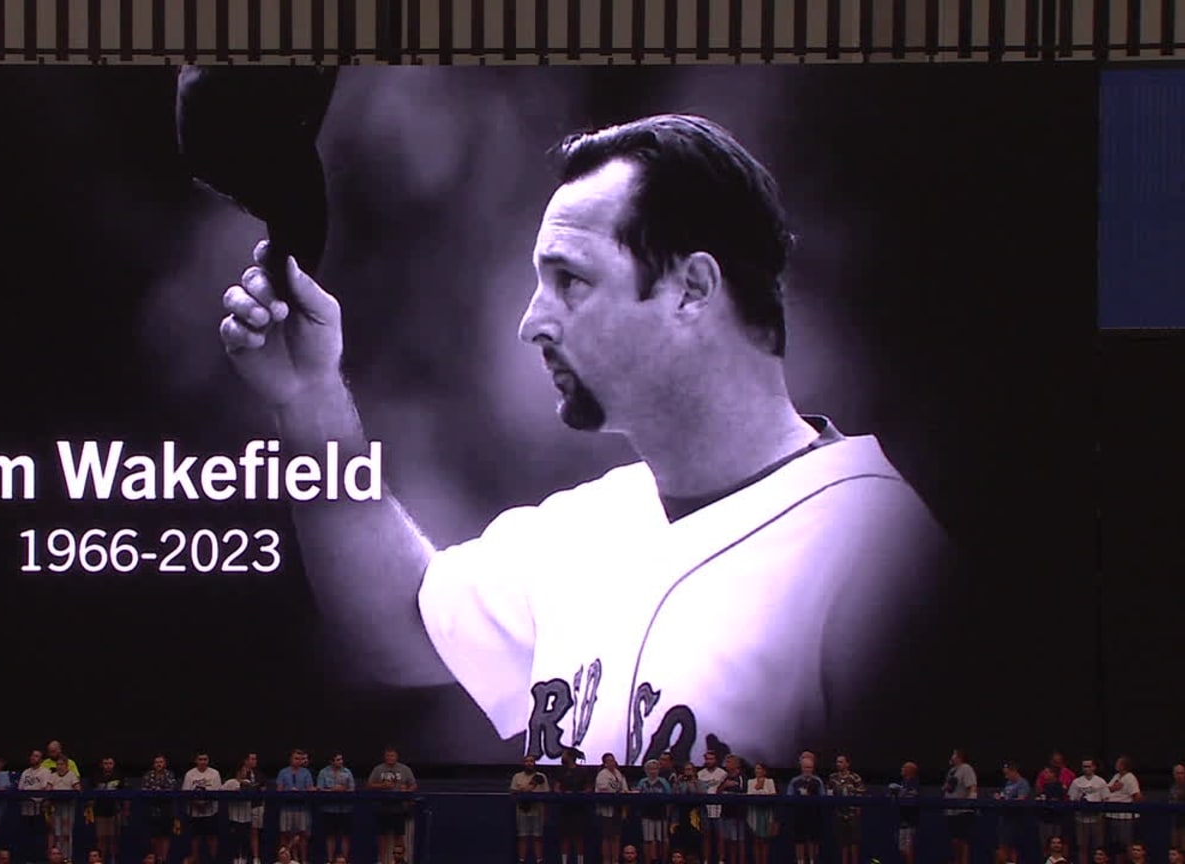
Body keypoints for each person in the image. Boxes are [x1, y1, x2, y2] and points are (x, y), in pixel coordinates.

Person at [215, 112, 951, 770]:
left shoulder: (876, 548)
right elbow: (397, 626)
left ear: (693, 288)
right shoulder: (581, 527)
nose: (532, 320)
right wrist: (309, 401)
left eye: (569, 280)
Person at [368, 749, 417, 864]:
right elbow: (369, 785)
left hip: (399, 807)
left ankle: (399, 860)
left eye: (392, 756)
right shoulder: (378, 769)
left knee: (399, 835)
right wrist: (382, 785)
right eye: (388, 756)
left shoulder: (405, 769)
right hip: (383, 806)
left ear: (397, 756)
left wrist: (407, 791)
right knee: (382, 835)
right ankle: (381, 860)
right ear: (385, 757)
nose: (390, 758)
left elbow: (414, 785)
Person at [182, 753, 223, 864]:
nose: (203, 762)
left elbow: (218, 792)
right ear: (196, 760)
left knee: (212, 837)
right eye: (200, 759)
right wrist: (197, 804)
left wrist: (206, 804)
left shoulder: (215, 773)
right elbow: (186, 792)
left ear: (208, 760)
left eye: (205, 759)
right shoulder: (190, 774)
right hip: (194, 812)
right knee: (195, 838)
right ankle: (195, 859)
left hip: (211, 811)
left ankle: (213, 860)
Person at [274, 751, 314, 863]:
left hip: (301, 807)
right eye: (296, 758)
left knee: (302, 835)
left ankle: (303, 860)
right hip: (286, 807)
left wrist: (300, 792)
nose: (298, 761)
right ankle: (285, 859)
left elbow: (310, 789)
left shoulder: (306, 773)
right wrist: (288, 792)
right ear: (290, 759)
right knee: (285, 834)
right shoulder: (283, 772)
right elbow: (279, 789)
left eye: (300, 759)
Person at [315, 753, 356, 864]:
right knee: (330, 835)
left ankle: (344, 861)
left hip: (346, 809)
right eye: (338, 760)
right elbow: (319, 789)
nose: (340, 762)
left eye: (341, 759)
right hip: (329, 809)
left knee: (345, 836)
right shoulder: (324, 772)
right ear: (331, 761)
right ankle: (330, 860)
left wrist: (344, 790)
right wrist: (332, 790)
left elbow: (352, 789)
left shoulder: (347, 772)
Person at [555, 748, 593, 864]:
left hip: (579, 808)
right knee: (564, 837)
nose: (562, 756)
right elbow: (556, 787)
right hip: (565, 808)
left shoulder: (583, 771)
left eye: (564, 754)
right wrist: (562, 794)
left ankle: (580, 861)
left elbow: (589, 787)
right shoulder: (561, 771)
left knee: (579, 837)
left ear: (570, 756)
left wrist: (580, 795)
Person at [786, 753, 825, 864]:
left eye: (810, 768)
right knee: (799, 840)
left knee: (813, 840)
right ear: (802, 768)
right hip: (799, 815)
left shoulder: (818, 781)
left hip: (814, 815)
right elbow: (788, 797)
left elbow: (823, 797)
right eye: (806, 767)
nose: (808, 770)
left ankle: (812, 861)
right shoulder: (794, 781)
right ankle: (800, 861)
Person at [1069, 760, 1110, 864]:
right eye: (1084, 766)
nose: (1086, 768)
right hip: (1081, 820)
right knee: (1082, 847)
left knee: (1098, 848)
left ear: (1094, 767)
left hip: (1097, 820)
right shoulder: (1076, 782)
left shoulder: (1101, 782)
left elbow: (1106, 798)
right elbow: (1071, 799)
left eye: (1088, 766)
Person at [826, 755, 864, 864]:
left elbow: (861, 793)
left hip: (853, 814)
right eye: (837, 762)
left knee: (854, 842)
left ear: (847, 764)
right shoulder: (832, 778)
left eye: (841, 762)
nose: (839, 764)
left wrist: (858, 808)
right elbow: (829, 792)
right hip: (839, 814)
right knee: (843, 843)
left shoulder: (855, 777)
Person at [512, 757, 550, 864]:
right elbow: (513, 792)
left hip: (537, 811)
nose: (529, 763)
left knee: (538, 837)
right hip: (522, 811)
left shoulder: (541, 777)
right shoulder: (517, 777)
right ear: (524, 763)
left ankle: (539, 860)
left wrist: (545, 813)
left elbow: (546, 794)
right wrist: (524, 790)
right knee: (522, 836)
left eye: (531, 761)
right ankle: (521, 860)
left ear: (535, 763)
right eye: (527, 761)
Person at [1104, 757, 1142, 864]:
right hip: (1113, 815)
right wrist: (1114, 788)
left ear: (1123, 765)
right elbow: (1106, 789)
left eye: (1118, 763)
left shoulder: (1130, 778)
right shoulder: (1116, 776)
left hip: (1125, 817)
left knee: (1127, 844)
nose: (1116, 764)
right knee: (1117, 846)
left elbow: (1137, 795)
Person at [943, 750, 978, 864]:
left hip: (963, 811)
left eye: (953, 754)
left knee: (963, 840)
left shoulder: (966, 768)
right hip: (951, 811)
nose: (951, 757)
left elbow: (972, 786)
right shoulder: (952, 771)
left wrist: (970, 803)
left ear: (959, 757)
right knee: (955, 840)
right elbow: (948, 788)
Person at [995, 762, 1033, 864]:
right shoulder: (1008, 783)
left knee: (1012, 847)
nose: (1006, 776)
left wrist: (1007, 801)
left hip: (1017, 819)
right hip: (1005, 818)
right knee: (1003, 845)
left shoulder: (1023, 783)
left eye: (1007, 774)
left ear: (1014, 771)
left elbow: (1021, 799)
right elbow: (1005, 795)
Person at [595, 754, 630, 864]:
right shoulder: (602, 774)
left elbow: (624, 788)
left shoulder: (619, 774)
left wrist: (625, 792)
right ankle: (606, 861)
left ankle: (615, 861)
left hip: (618, 809)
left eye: (613, 760)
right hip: (607, 810)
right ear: (605, 763)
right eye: (609, 761)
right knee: (606, 836)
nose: (611, 762)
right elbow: (603, 788)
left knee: (616, 836)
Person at [636, 760, 671, 864]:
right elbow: (637, 794)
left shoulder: (663, 782)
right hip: (646, 813)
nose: (653, 771)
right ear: (646, 770)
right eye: (650, 769)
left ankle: (663, 861)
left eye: (655, 769)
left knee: (662, 840)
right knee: (648, 840)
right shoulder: (642, 782)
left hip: (661, 814)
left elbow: (670, 797)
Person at [887, 762, 920, 864]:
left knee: (909, 848)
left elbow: (911, 795)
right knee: (902, 849)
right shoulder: (903, 783)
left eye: (904, 767)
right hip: (902, 820)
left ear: (910, 770)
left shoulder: (914, 782)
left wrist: (900, 792)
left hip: (911, 821)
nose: (902, 769)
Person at [745, 762, 777, 864]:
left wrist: (760, 790)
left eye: (759, 769)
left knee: (765, 841)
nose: (757, 771)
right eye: (756, 769)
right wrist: (759, 788)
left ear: (764, 771)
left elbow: (772, 795)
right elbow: (750, 795)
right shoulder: (750, 782)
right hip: (754, 813)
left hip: (767, 813)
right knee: (756, 841)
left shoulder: (770, 781)